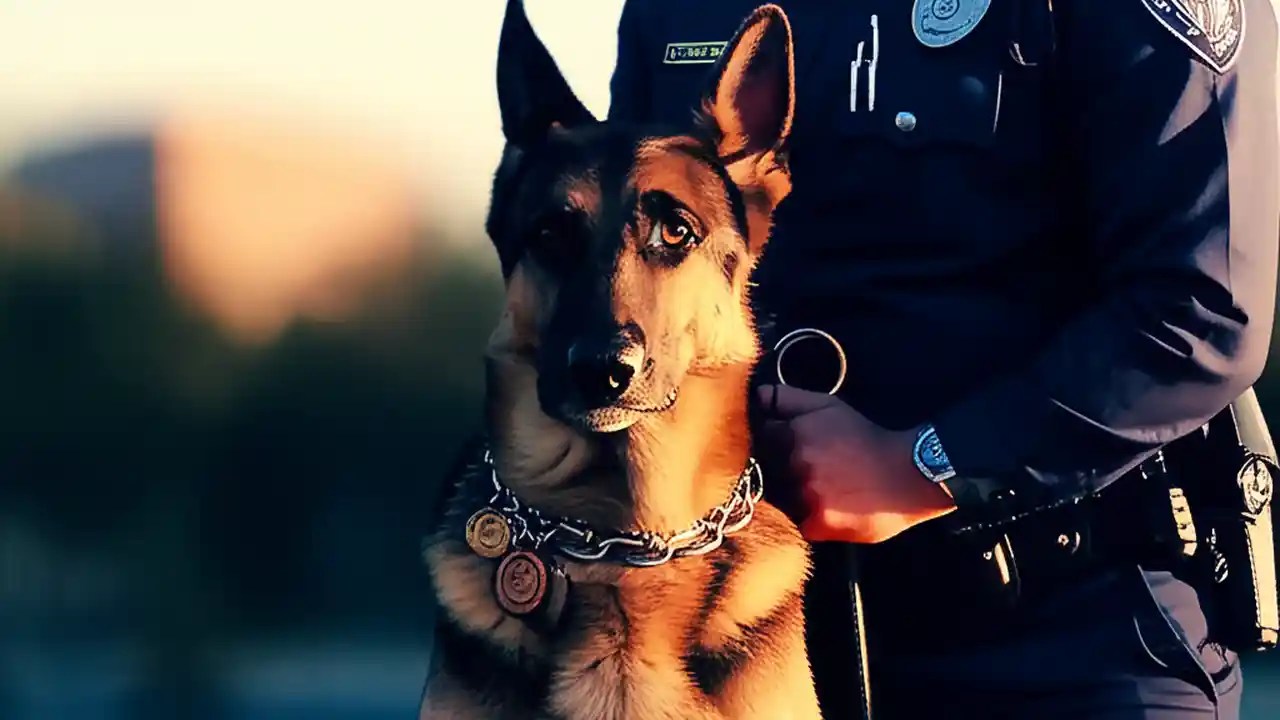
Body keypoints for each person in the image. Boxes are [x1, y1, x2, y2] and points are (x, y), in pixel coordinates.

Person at [607, 1, 1280, 718]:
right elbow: (619, 279)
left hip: (1067, 646)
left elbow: (1199, 310)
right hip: (736, 643)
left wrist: (920, 465)